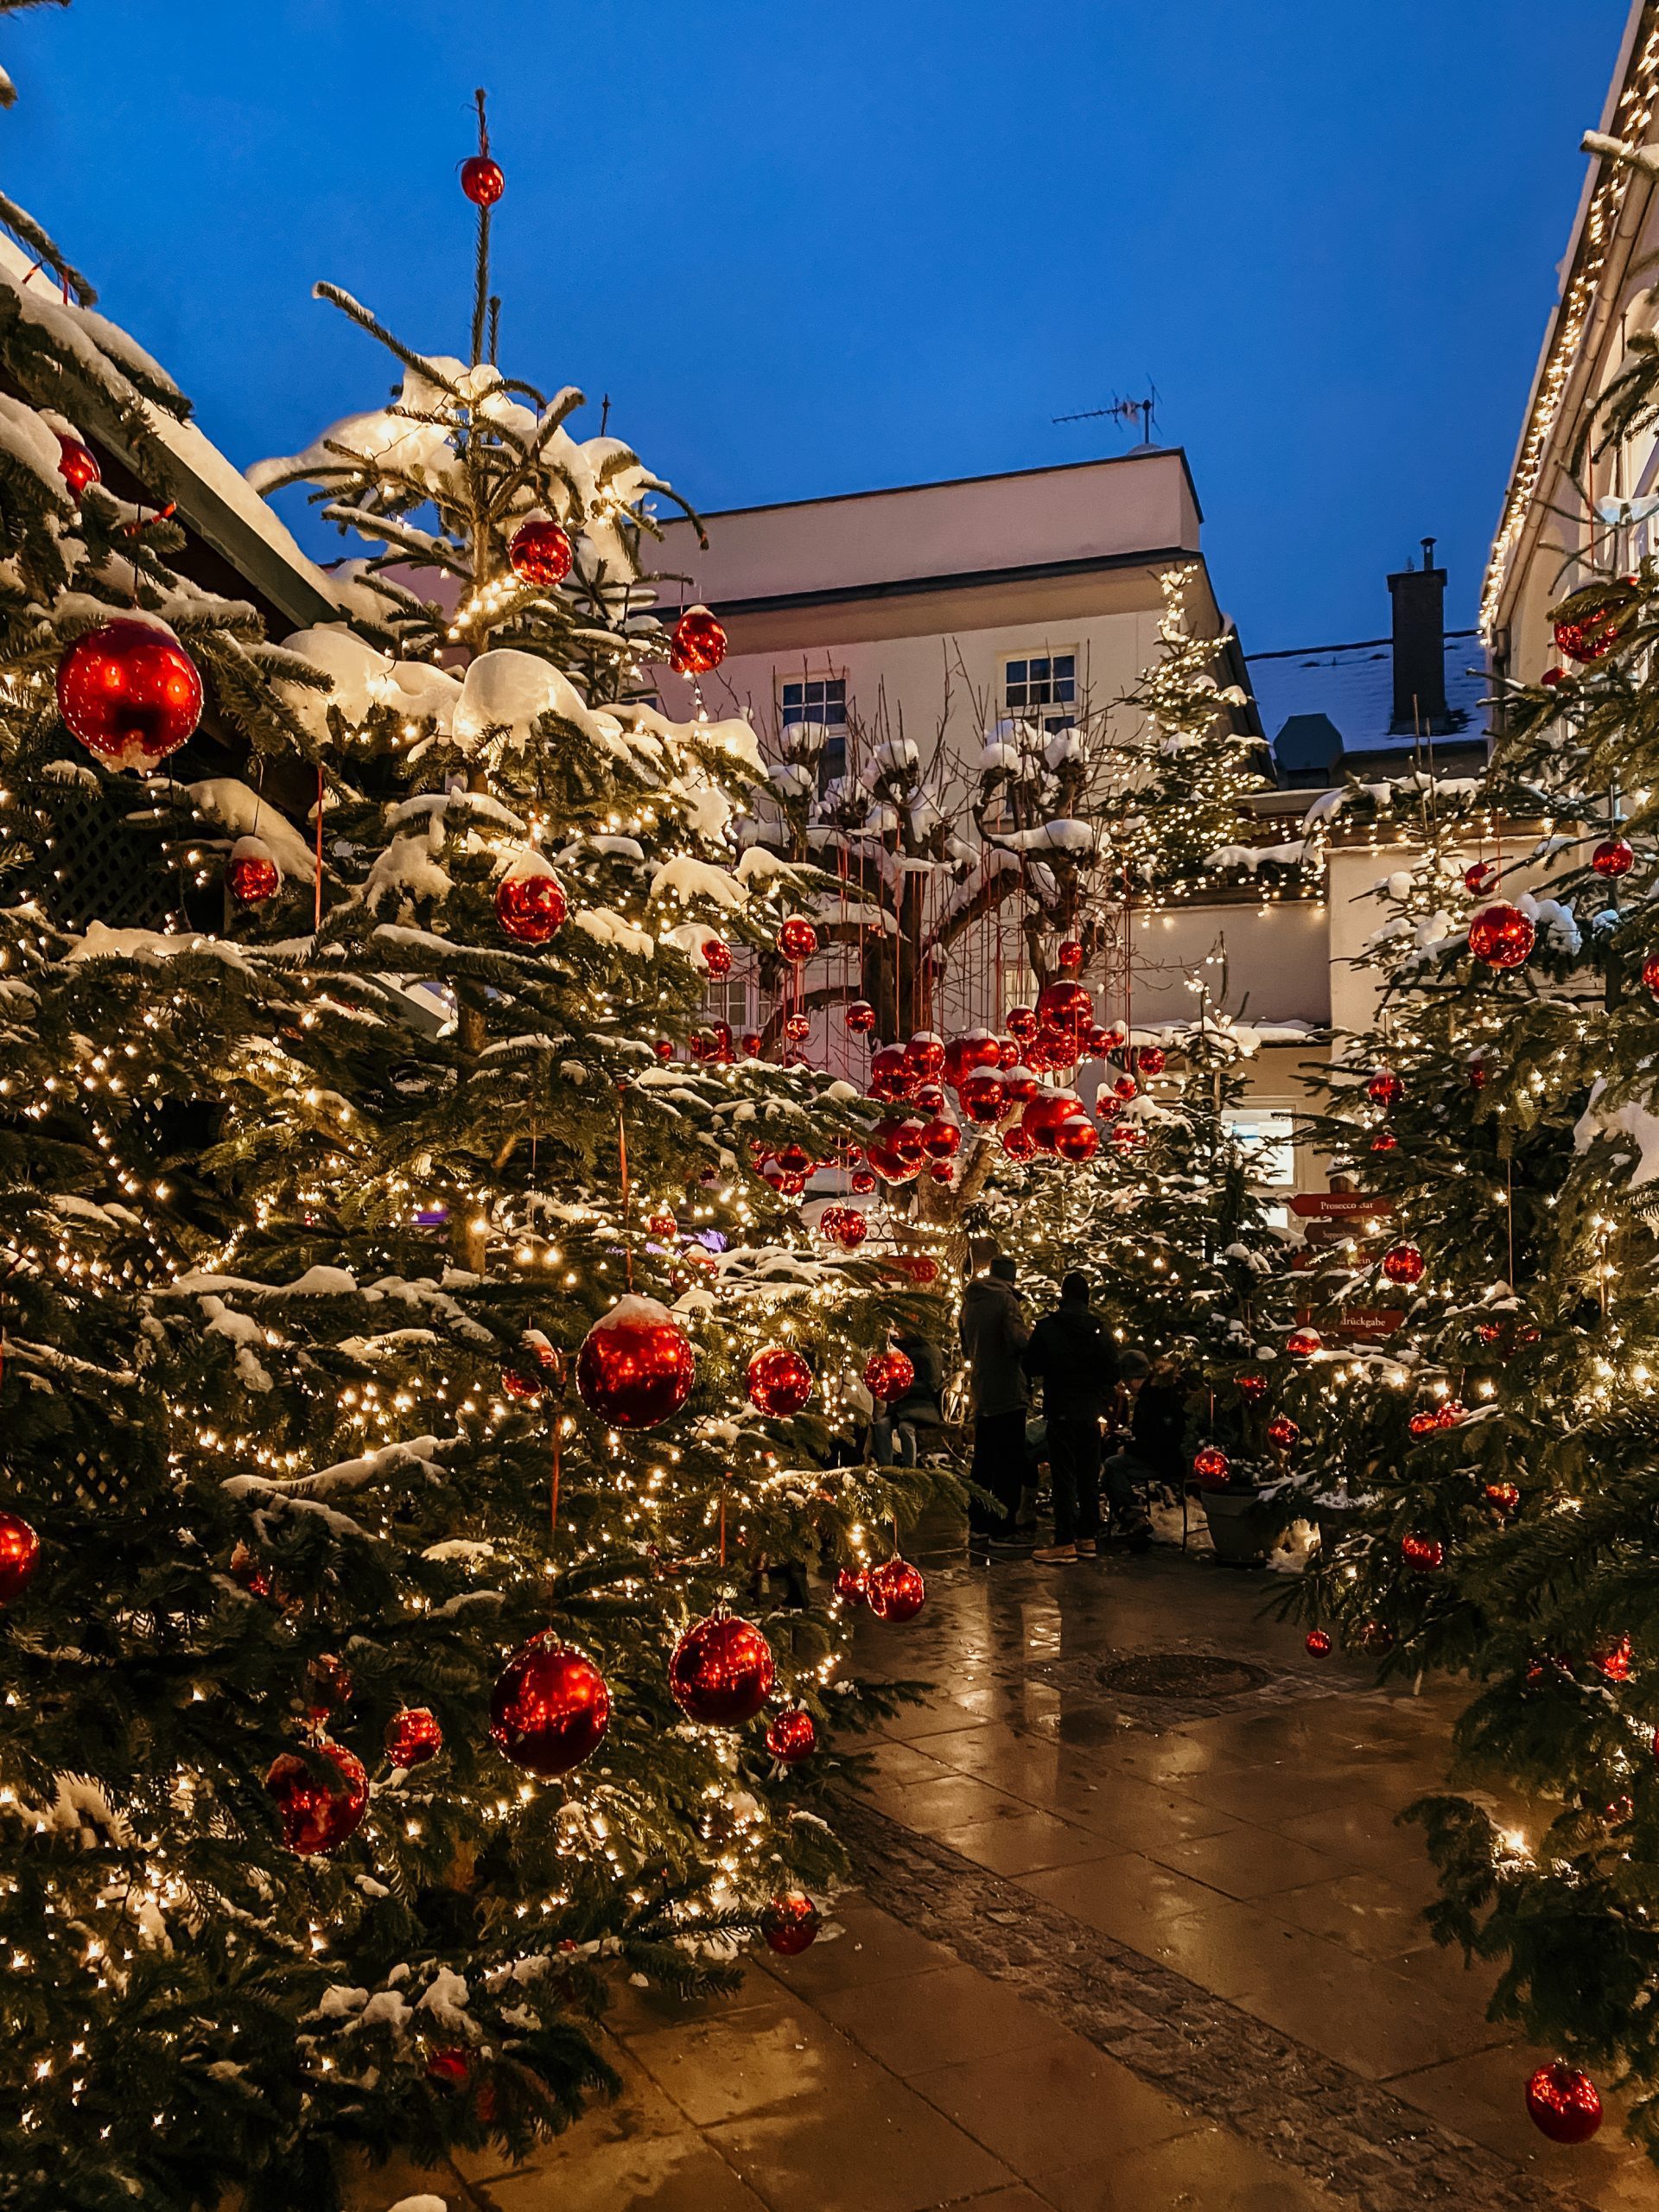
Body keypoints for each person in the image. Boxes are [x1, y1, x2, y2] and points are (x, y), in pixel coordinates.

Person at [1022, 1272, 1118, 1563]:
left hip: (1061, 1410)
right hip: (1090, 1414)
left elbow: (1030, 1364)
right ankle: (1087, 1537)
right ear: (1087, 1298)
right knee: (1089, 1475)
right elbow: (1113, 1373)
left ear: (1063, 1296)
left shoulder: (1049, 1328)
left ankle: (1064, 1542)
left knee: (1064, 1477)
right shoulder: (1099, 1331)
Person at [958, 1249, 1031, 1559]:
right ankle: (1003, 1529)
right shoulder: (1006, 1301)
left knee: (984, 1461)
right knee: (1009, 1462)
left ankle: (979, 1524)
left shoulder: (969, 1303)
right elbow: (1018, 1341)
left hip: (982, 1391)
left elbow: (965, 1348)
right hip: (1008, 1392)